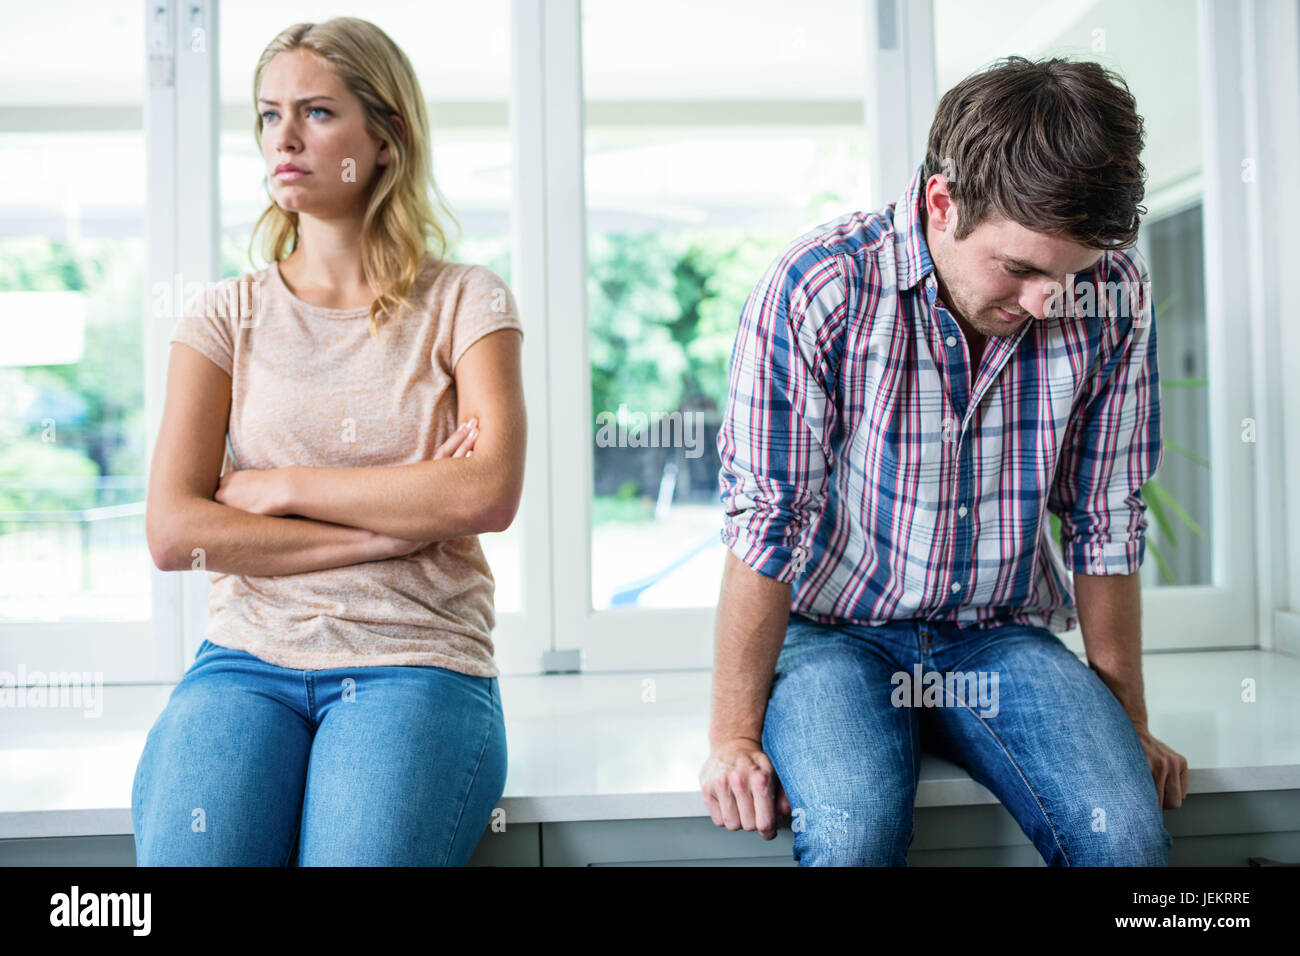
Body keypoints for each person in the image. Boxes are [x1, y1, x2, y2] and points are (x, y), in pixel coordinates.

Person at [700, 55, 1187, 866]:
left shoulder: (1113, 293)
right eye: (1020, 268)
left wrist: (1126, 724)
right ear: (941, 203)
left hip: (1001, 635)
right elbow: (767, 520)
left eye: (1066, 276)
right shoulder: (818, 287)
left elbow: (1105, 515)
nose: (1045, 302)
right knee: (854, 834)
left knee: (1127, 837)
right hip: (835, 635)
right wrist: (731, 739)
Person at [134, 17, 525, 866]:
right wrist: (391, 529)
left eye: (315, 112)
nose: (284, 138)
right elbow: (175, 532)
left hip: (417, 661)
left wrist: (283, 487)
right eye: (269, 115)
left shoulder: (469, 303)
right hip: (244, 663)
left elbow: (486, 492)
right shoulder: (223, 317)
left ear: (386, 139)